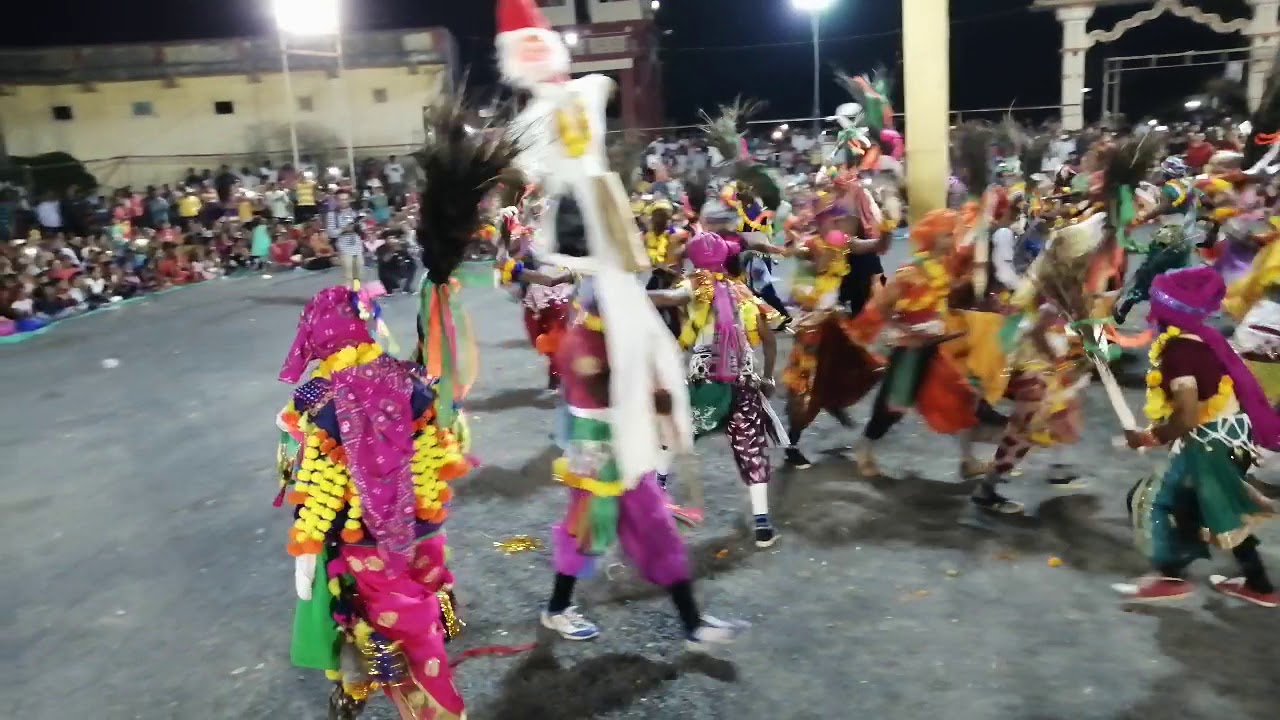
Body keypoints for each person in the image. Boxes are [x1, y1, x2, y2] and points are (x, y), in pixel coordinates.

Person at [496, 0, 748, 648]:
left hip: (620, 426)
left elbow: (594, 96)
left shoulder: (612, 284)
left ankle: (690, 622)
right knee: (590, 521)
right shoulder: (593, 296)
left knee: (635, 522)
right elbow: (592, 374)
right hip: (600, 431)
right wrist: (643, 405)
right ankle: (570, 609)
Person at [276, 287, 470, 720]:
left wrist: (306, 549)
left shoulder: (318, 399)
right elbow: (447, 442)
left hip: (364, 546)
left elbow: (315, 484)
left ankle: (407, 704)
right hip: (426, 531)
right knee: (422, 606)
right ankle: (369, 684)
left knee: (383, 630)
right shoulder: (412, 376)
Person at [1117, 267, 1279, 607]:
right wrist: (1096, 342)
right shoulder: (1205, 336)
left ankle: (1169, 575)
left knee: (1150, 500)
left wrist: (1149, 437)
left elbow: (1188, 416)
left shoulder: (1179, 351)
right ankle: (1259, 586)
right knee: (1213, 507)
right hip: (1232, 439)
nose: (1152, 312)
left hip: (1211, 444)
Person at [327, 193, 362, 284]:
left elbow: (361, 229)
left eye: (346, 199)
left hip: (357, 246)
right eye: (341, 199)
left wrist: (359, 226)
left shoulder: (355, 213)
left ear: (350, 200)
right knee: (348, 275)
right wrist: (343, 229)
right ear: (337, 201)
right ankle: (349, 295)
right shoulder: (333, 215)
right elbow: (331, 233)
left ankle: (357, 294)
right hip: (344, 247)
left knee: (358, 275)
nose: (344, 201)